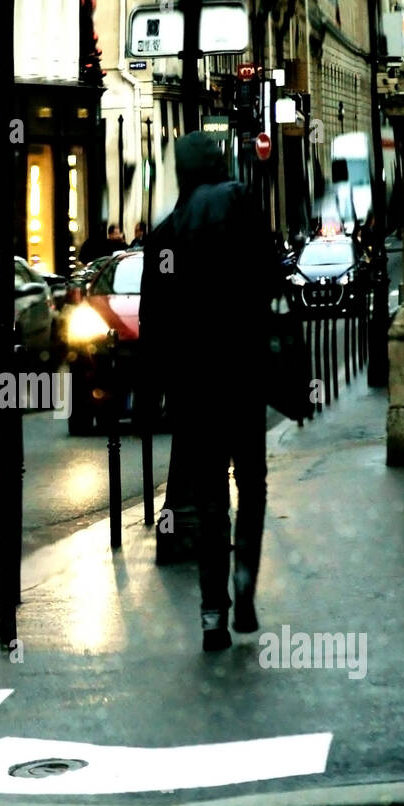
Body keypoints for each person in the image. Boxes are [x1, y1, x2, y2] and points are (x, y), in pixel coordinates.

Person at [139, 132, 282, 652]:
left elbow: (154, 323)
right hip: (243, 377)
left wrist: (152, 389)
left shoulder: (166, 238)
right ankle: (244, 585)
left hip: (194, 387)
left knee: (210, 499)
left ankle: (211, 612)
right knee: (253, 485)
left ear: (181, 172)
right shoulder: (244, 209)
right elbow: (272, 280)